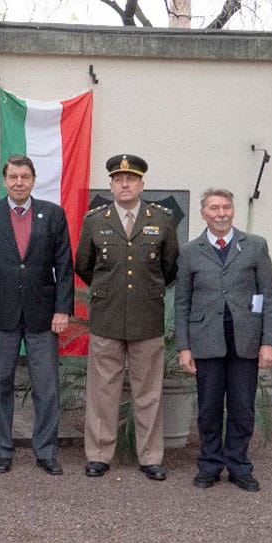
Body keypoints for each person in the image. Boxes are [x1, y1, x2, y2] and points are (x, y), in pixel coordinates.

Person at [75, 154, 179, 481]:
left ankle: (150, 457)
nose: (124, 184)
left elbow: (169, 267)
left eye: (131, 179)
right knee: (102, 391)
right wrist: (110, 291)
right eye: (118, 179)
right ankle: (99, 454)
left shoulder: (162, 220)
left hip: (147, 317)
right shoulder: (96, 220)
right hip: (106, 317)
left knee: (148, 390)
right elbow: (84, 265)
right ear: (111, 184)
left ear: (141, 184)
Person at [0, 154, 74, 476]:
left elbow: (64, 266)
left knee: (46, 386)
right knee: (0, 383)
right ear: (5, 180)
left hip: (44, 314)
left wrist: (62, 309)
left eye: (24, 177)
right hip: (0, 314)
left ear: (33, 179)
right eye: (13, 177)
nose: (18, 182)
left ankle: (46, 452)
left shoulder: (53, 214)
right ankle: (2, 450)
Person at [175, 188, 272, 492]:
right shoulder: (189, 251)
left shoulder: (255, 247)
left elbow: (267, 296)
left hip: (245, 341)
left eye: (226, 207)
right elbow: (182, 302)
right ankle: (209, 465)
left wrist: (268, 341)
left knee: (242, 407)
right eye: (214, 208)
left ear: (233, 211)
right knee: (208, 408)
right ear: (204, 213)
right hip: (205, 340)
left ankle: (238, 465)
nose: (221, 213)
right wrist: (184, 347)